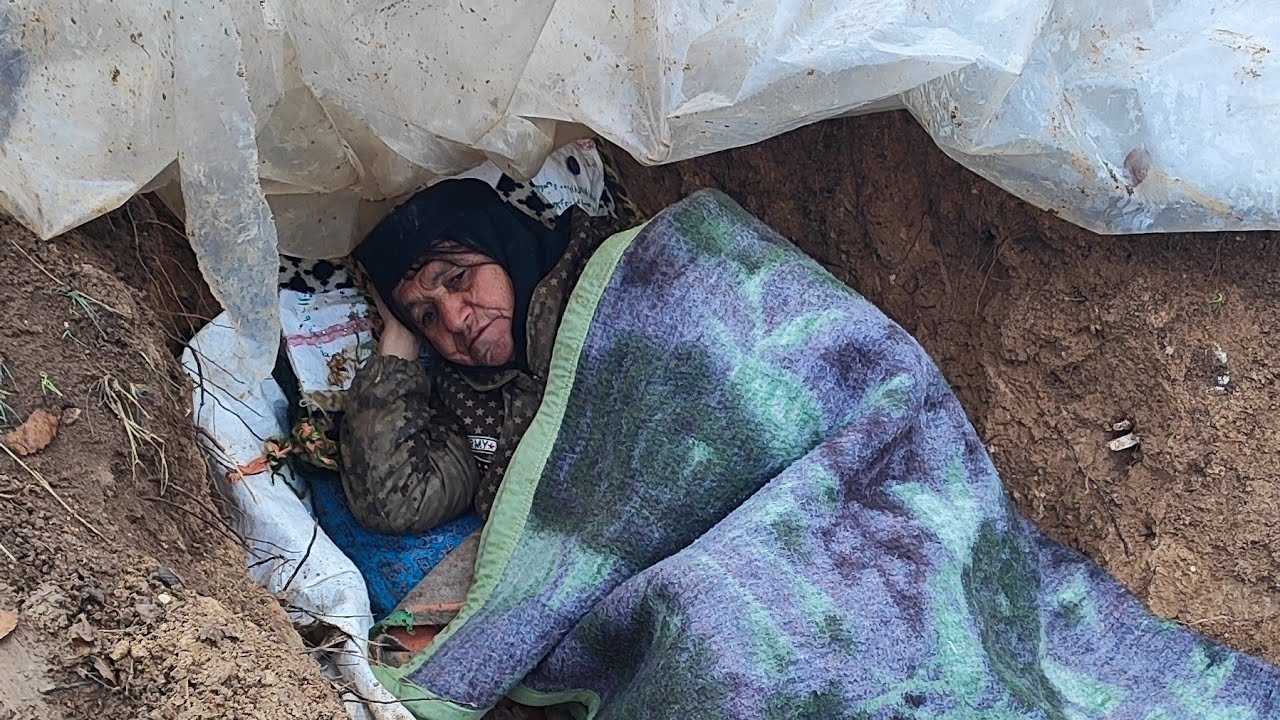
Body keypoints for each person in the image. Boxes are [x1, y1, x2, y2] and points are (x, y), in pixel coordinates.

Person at [341, 178, 629, 534]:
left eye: (458, 278)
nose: (454, 320)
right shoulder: (465, 402)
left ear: (502, 243)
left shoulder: (612, 270)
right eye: (427, 317)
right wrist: (395, 356)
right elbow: (397, 505)